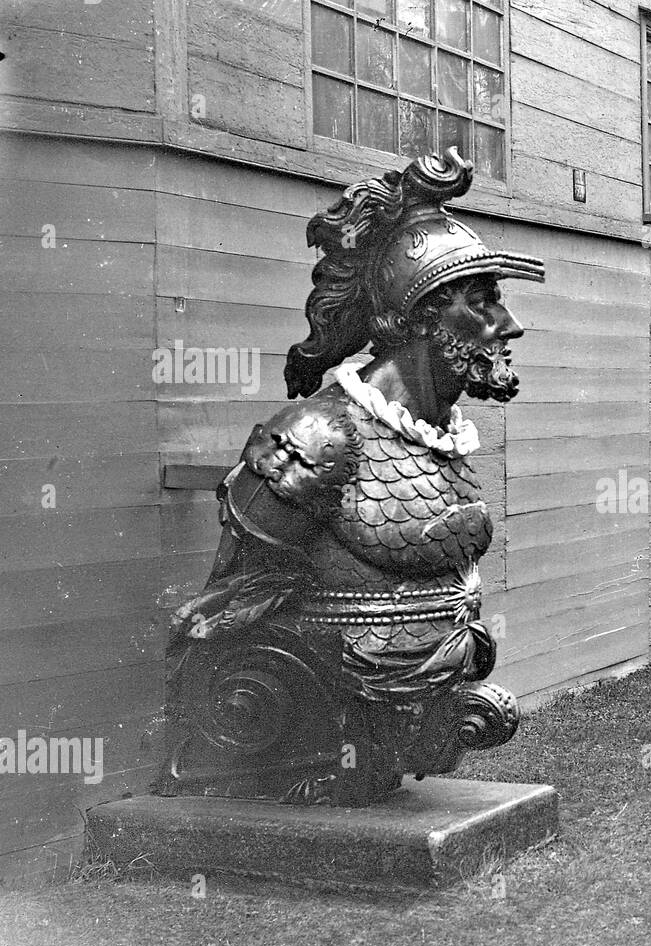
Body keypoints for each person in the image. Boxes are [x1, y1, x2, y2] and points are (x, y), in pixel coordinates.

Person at [159, 151, 545, 804]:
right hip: (320, 708)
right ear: (416, 318)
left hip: (425, 682)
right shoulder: (316, 434)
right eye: (482, 304)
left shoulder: (436, 437)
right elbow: (227, 606)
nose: (509, 325)